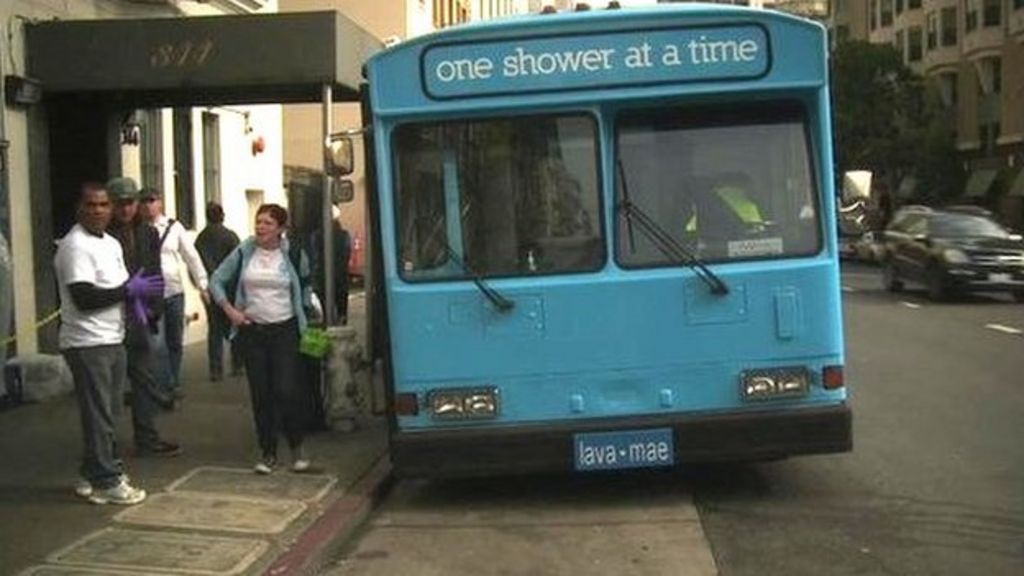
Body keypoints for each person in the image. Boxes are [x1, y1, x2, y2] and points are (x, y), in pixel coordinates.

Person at [56, 182, 164, 504]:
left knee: (108, 410)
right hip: (88, 342)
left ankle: (93, 470)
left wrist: (140, 305)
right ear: (79, 208)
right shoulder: (75, 245)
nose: (99, 211)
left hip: (113, 336)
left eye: (104, 205)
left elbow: (123, 285)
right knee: (100, 412)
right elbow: (84, 296)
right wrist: (128, 292)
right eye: (92, 205)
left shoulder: (110, 244)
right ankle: (107, 478)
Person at [209, 204, 314, 474]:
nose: (261, 228)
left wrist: (309, 315)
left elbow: (305, 285)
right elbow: (216, 281)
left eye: (268, 223)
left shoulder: (293, 253)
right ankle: (268, 453)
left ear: (280, 228)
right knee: (261, 394)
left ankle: (297, 447)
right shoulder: (245, 251)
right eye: (258, 222)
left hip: (285, 330)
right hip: (253, 331)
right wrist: (230, 310)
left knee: (286, 389)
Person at [105, 177, 181, 457]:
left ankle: (147, 437)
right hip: (111, 316)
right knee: (111, 385)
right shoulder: (104, 235)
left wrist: (155, 308)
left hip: (140, 313)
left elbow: (154, 271)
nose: (126, 209)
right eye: (120, 204)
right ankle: (107, 443)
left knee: (144, 378)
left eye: (130, 203)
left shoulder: (147, 233)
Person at [140, 187, 208, 398]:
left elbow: (191, 257)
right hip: (150, 294)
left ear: (160, 202)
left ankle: (173, 381)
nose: (148, 205)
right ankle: (163, 387)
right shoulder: (138, 229)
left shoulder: (174, 227)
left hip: (174, 292)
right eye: (144, 201)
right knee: (157, 344)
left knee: (174, 341)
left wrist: (203, 285)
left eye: (152, 200)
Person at [194, 202, 242, 381]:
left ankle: (216, 369)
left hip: (210, 288)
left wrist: (202, 287)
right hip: (229, 288)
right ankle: (237, 364)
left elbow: (196, 265)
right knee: (234, 326)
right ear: (222, 215)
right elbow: (238, 262)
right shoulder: (230, 236)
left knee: (214, 329)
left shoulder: (200, 238)